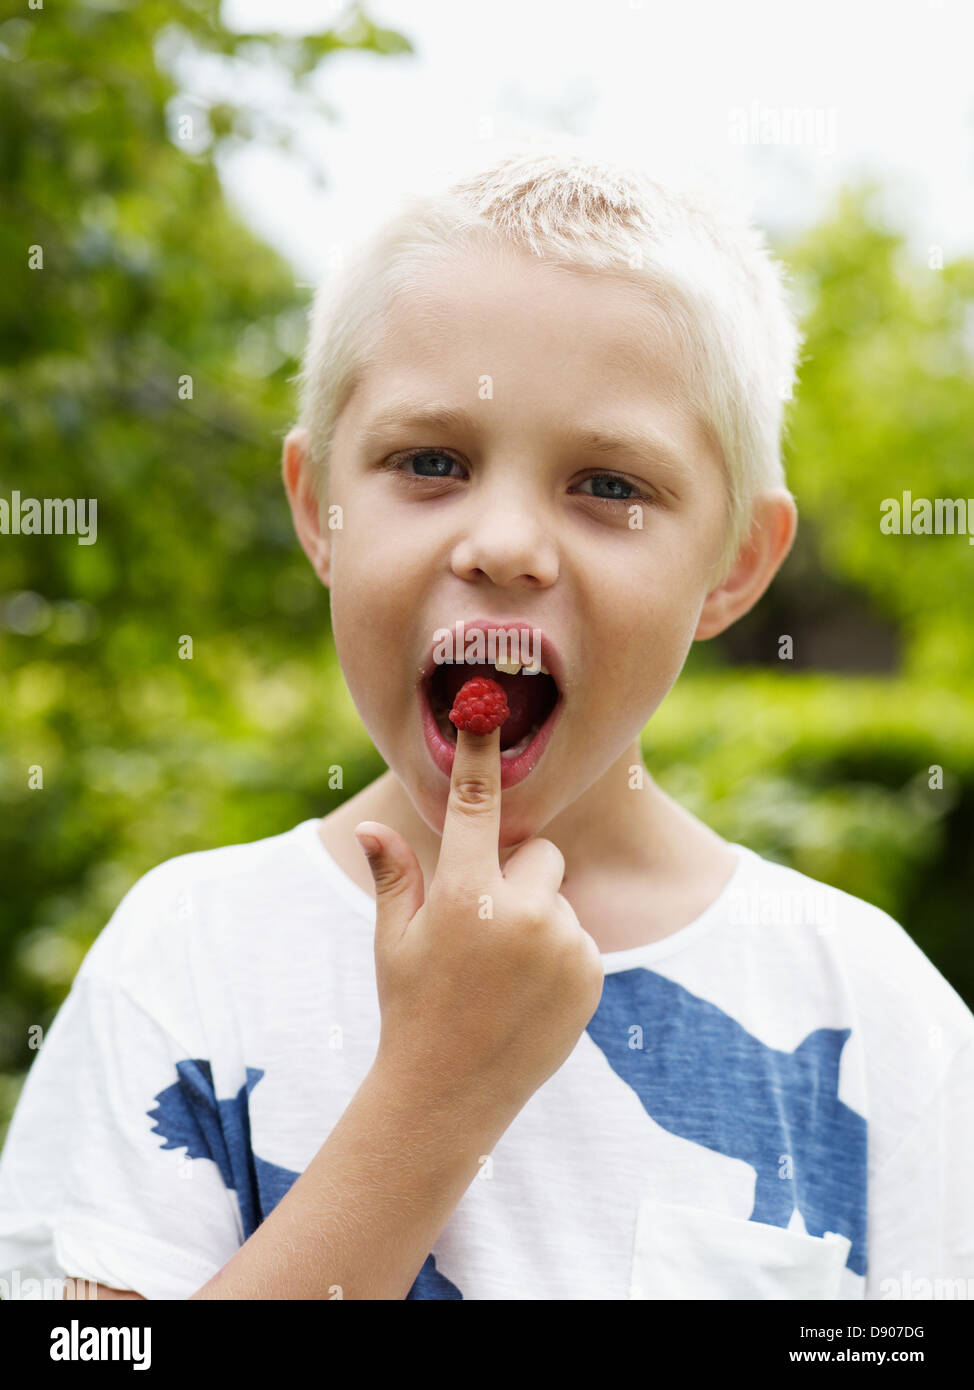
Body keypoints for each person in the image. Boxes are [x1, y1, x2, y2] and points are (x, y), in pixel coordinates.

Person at [1, 144, 971, 1301]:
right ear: (319, 510)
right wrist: (431, 1099)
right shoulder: (187, 959)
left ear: (732, 565)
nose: (504, 545)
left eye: (609, 484)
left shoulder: (872, 1013)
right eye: (429, 461)